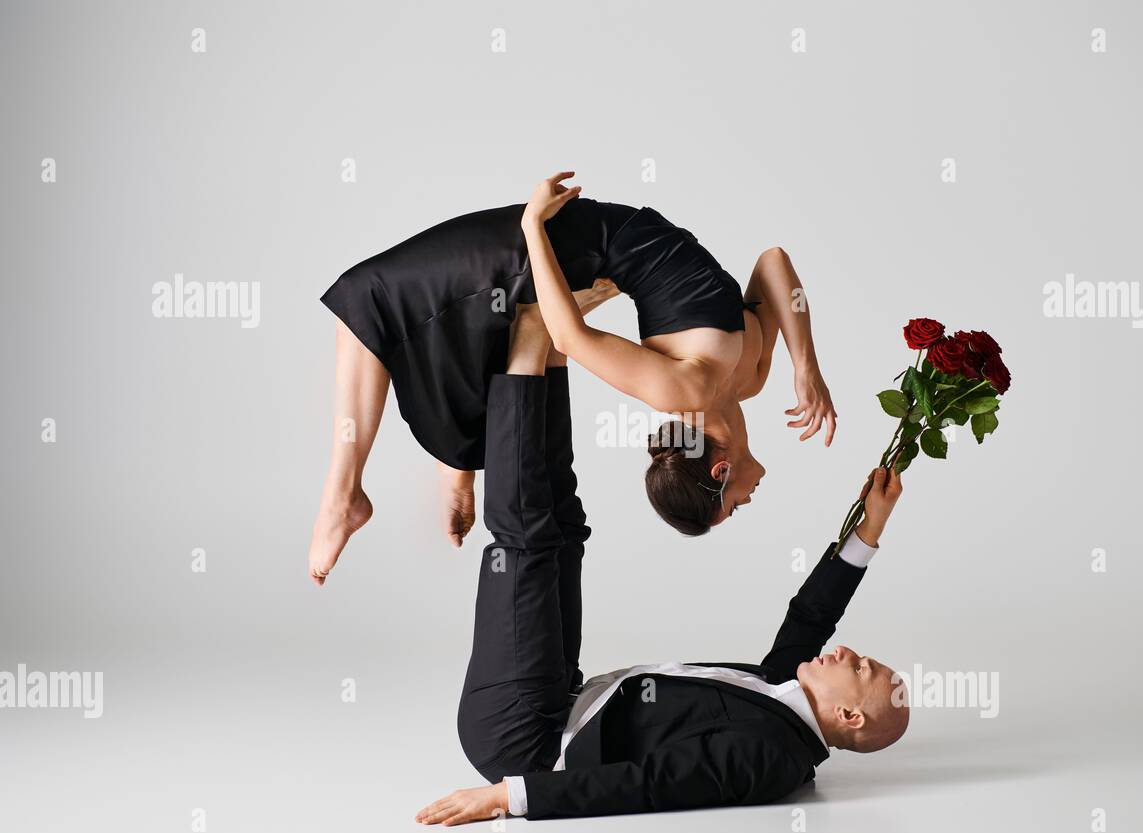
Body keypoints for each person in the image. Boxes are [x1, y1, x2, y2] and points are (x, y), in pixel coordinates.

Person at [415, 321, 906, 825]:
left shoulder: (774, 756)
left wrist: (509, 798)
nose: (848, 652)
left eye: (862, 668)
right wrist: (870, 527)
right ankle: (549, 355)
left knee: (529, 545)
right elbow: (812, 616)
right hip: (558, 697)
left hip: (526, 740)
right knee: (564, 531)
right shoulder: (781, 691)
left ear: (850, 715)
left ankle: (522, 349)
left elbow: (652, 786)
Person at [308, 172, 836, 584]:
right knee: (420, 307)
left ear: (721, 472)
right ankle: (447, 471)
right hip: (603, 234)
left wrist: (533, 227)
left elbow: (570, 337)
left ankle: (348, 496)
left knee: (371, 294)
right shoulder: (751, 380)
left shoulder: (683, 393)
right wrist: (807, 370)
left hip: (577, 246)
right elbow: (773, 265)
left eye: (734, 508)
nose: (747, 501)